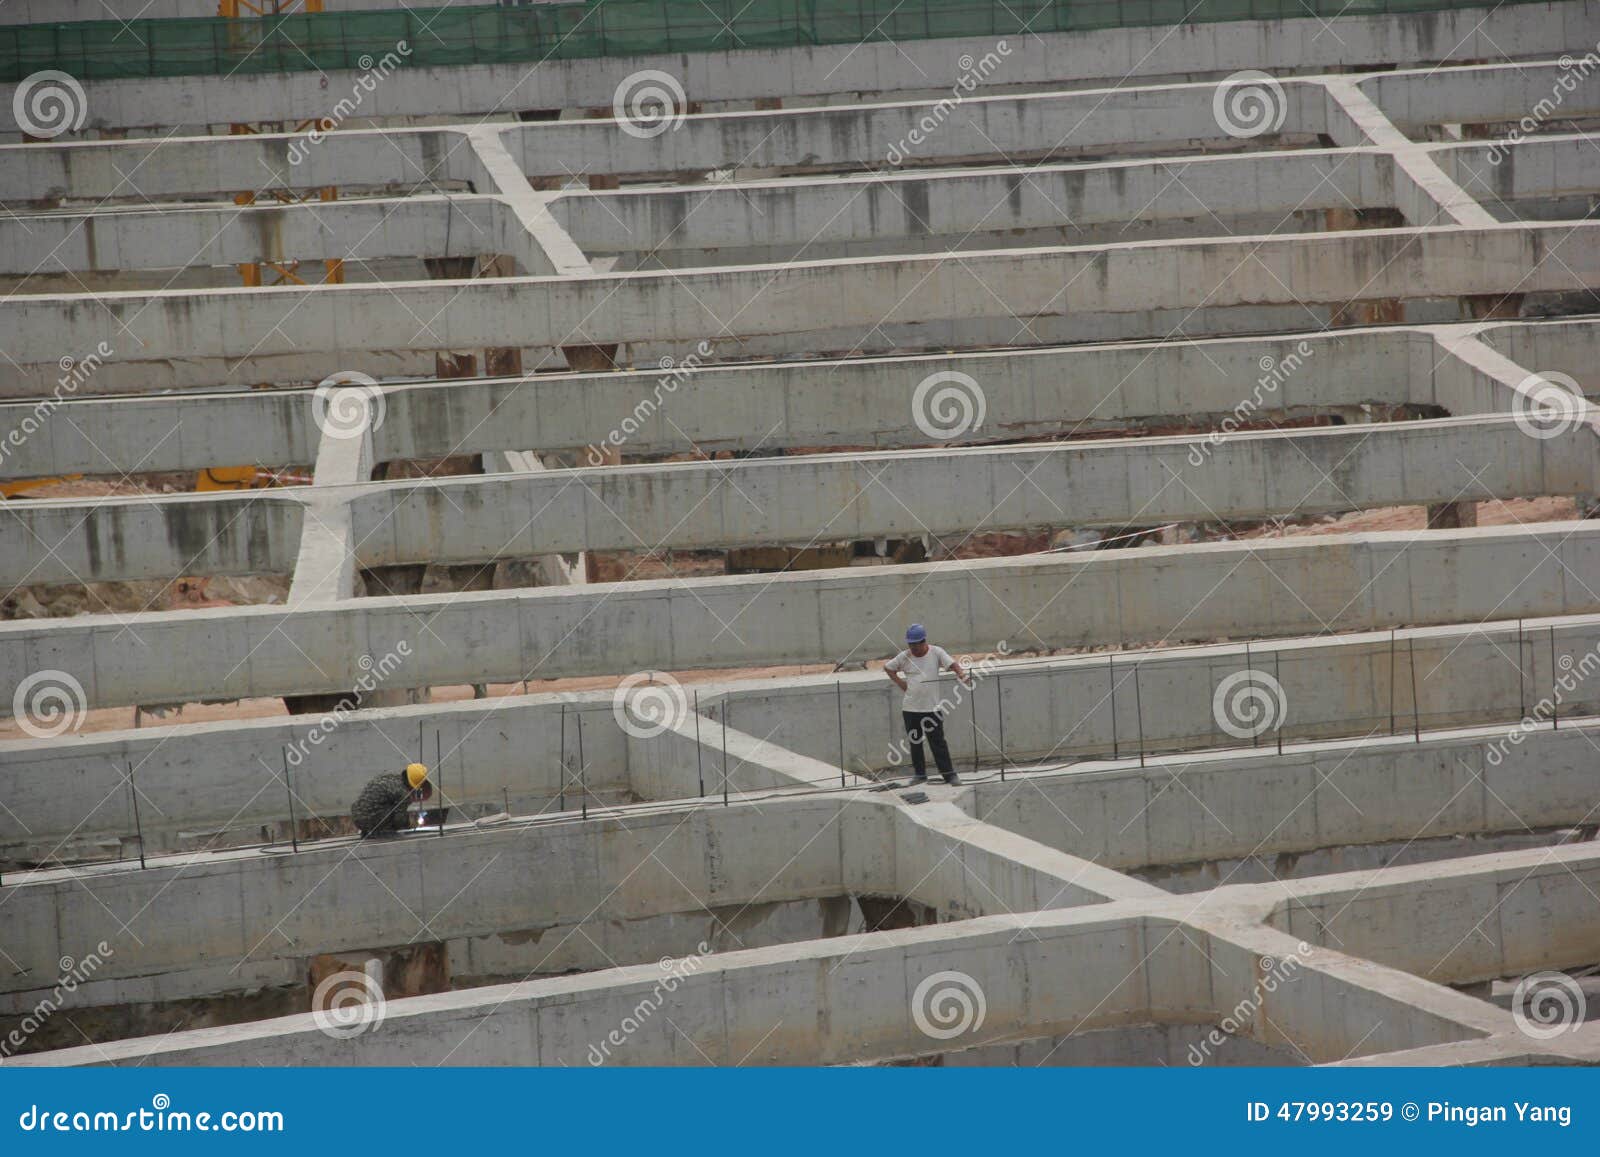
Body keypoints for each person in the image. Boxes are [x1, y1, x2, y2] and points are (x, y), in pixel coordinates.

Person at [883, 623, 969, 785]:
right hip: (910, 708)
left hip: (932, 708)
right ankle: (920, 774)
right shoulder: (905, 656)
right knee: (915, 743)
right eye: (910, 644)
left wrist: (962, 675)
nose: (913, 648)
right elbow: (888, 668)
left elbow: (953, 664)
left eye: (915, 644)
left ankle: (949, 775)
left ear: (923, 642)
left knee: (938, 743)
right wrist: (902, 684)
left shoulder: (936, 652)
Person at [352, 763, 430, 837]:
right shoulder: (403, 793)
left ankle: (368, 830)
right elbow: (399, 820)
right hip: (368, 820)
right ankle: (381, 832)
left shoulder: (390, 776)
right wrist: (409, 823)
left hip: (357, 816)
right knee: (395, 814)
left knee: (383, 806)